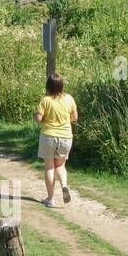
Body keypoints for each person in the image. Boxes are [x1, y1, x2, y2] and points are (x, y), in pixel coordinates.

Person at [36, 73, 78, 208]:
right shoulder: (69, 99)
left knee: (49, 167)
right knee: (60, 166)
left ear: (48, 86)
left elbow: (38, 119)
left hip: (49, 136)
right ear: (62, 85)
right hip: (66, 137)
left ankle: (50, 199)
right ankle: (64, 186)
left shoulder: (45, 100)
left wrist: (43, 119)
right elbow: (75, 117)